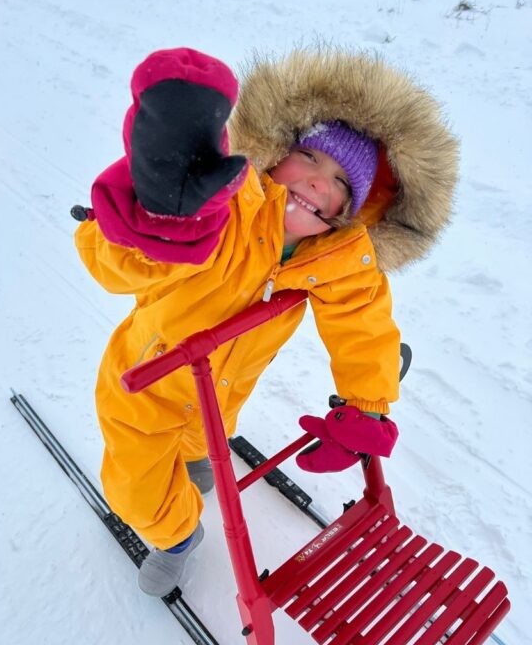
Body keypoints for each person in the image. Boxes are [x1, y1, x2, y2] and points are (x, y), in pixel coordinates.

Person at [74, 46, 458, 596]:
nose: (320, 183)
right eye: (310, 158)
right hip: (146, 387)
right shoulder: (221, 211)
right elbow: (115, 263)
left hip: (221, 394)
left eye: (343, 184)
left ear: (350, 215)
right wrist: (153, 219)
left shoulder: (334, 260)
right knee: (135, 487)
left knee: (203, 440)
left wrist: (366, 405)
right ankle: (177, 535)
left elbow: (363, 321)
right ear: (275, 153)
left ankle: (194, 459)